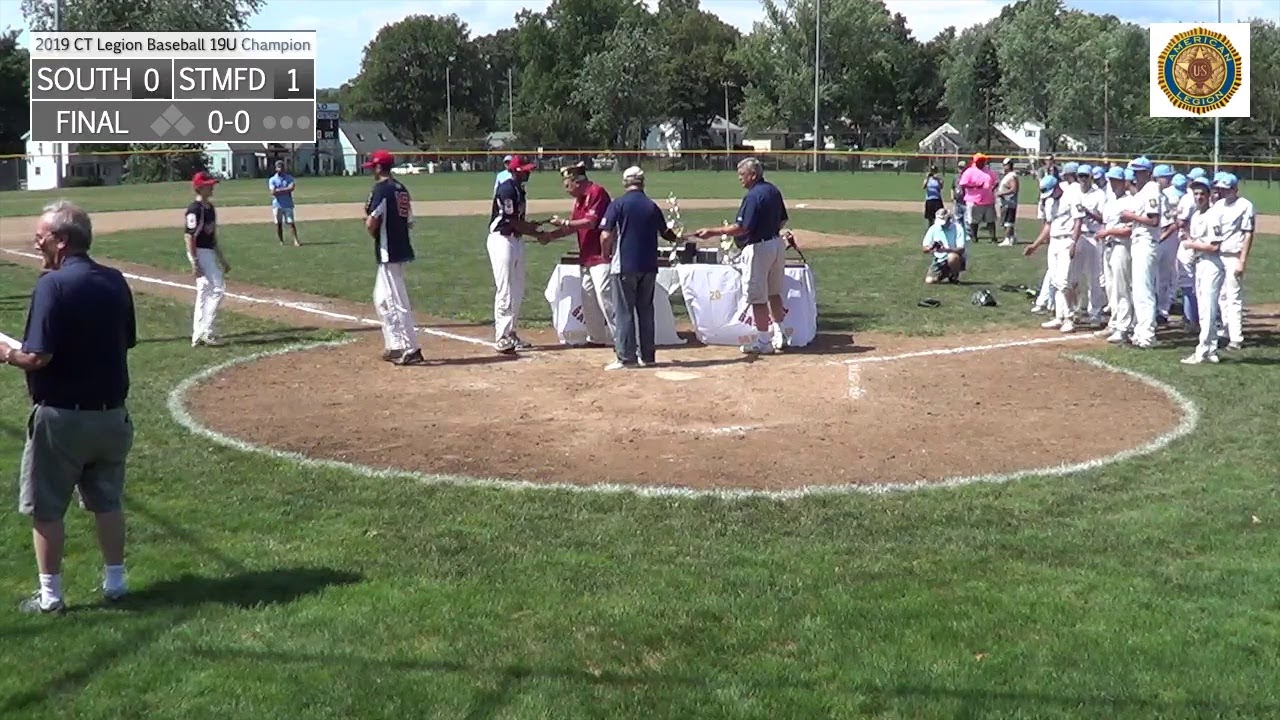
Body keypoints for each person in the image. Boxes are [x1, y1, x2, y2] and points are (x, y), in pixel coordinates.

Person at [2, 200, 137, 614]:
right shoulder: (115, 280)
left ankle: (50, 595)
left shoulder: (52, 285)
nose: (36, 240)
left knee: (46, 506)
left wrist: (7, 354)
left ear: (61, 241)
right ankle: (116, 583)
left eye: (42, 235)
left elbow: (38, 356)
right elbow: (126, 340)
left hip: (62, 417)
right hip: (112, 414)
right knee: (107, 502)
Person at [693, 157, 791, 355]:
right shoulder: (773, 190)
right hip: (776, 244)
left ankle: (764, 341)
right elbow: (783, 220)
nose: (740, 179)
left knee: (758, 296)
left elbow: (741, 228)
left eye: (742, 175)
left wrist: (712, 232)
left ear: (752, 175)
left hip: (759, 248)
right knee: (774, 292)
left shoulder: (753, 196)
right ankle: (781, 335)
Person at [598, 166, 680, 370]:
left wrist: (605, 252)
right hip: (649, 265)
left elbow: (606, 235)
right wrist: (682, 237)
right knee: (645, 311)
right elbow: (666, 233)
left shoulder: (618, 204)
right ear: (643, 182)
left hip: (625, 264)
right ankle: (648, 355)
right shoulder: (651, 206)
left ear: (626, 182)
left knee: (624, 311)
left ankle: (627, 357)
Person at [363, 149, 424, 365]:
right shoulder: (402, 189)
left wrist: (374, 233)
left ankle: (411, 347)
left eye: (373, 167)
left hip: (389, 250)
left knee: (395, 300)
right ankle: (396, 344)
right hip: (399, 246)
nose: (372, 171)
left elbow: (371, 221)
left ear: (379, 167)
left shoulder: (381, 189)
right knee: (381, 299)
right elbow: (409, 221)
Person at [545, 165, 615, 345]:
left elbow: (591, 222)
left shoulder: (596, 192)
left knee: (605, 299)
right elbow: (573, 226)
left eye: (567, 185)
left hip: (602, 255)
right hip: (587, 257)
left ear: (577, 182)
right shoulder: (579, 200)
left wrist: (564, 222)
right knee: (588, 300)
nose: (566, 189)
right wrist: (551, 236)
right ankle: (596, 337)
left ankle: (621, 338)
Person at [489, 155, 547, 354]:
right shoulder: (506, 189)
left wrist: (531, 227)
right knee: (505, 289)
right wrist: (536, 233)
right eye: (525, 170)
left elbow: (518, 222)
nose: (528, 172)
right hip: (501, 240)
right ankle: (502, 336)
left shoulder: (519, 189)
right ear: (515, 170)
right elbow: (511, 221)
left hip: (515, 240)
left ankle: (511, 332)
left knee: (518, 288)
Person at [1024, 174, 1084, 333]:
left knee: (1065, 281)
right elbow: (1048, 226)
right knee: (1056, 281)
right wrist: (1035, 245)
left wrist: (1073, 242)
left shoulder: (1072, 196)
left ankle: (1070, 317)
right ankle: (1059, 316)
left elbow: (1078, 221)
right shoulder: (1050, 202)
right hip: (1054, 241)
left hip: (1067, 240)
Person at [1120, 156, 1164, 349]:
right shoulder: (1141, 191)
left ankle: (1147, 335)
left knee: (1144, 289)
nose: (1136, 175)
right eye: (1134, 171)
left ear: (1147, 172)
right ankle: (1139, 332)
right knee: (1137, 289)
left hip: (1147, 241)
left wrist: (1131, 217)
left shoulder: (1152, 189)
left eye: (1139, 171)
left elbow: (1154, 220)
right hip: (1138, 240)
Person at [1180, 177, 1225, 364]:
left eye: (1202, 194)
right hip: (1200, 262)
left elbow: (1215, 246)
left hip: (1211, 264)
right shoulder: (1197, 215)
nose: (1198, 197)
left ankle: (1202, 350)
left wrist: (1190, 243)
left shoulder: (1212, 215)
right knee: (1206, 307)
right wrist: (1189, 237)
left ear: (1209, 196)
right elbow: (1199, 240)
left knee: (1207, 308)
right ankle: (1211, 348)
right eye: (1196, 194)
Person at [186, 171, 231, 347]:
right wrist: (195, 262)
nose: (212, 187)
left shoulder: (210, 208)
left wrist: (222, 259)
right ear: (200, 188)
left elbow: (212, 238)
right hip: (199, 252)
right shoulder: (194, 210)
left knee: (204, 290)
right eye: (208, 185)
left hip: (208, 251)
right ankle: (207, 330)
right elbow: (189, 237)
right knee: (218, 289)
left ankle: (198, 334)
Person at [1212, 173, 1255, 351]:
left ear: (1234, 189)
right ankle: (1225, 331)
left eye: (1227, 189)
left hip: (1234, 255)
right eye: (1221, 189)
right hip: (1218, 254)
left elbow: (1248, 233)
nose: (1223, 192)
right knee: (1221, 296)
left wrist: (1242, 260)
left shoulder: (1245, 205)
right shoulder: (1218, 205)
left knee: (1233, 296)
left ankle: (1236, 337)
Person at [1095, 166, 1136, 343]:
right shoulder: (1110, 200)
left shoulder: (1130, 201)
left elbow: (1129, 229)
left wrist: (1108, 232)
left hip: (1122, 246)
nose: (1112, 184)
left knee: (1122, 287)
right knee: (1111, 288)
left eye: (1115, 180)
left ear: (1123, 182)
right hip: (1109, 246)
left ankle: (1124, 326)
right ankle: (1114, 322)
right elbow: (1106, 223)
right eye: (1110, 180)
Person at [1071, 164, 1106, 325]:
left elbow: (1103, 219)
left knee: (1094, 277)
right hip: (1078, 236)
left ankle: (1095, 313)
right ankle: (1076, 309)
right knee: (1074, 276)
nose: (1083, 180)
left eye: (1085, 176)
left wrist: (1088, 212)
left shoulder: (1099, 194)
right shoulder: (1074, 192)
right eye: (1080, 176)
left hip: (1093, 236)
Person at [1175, 167, 1208, 333]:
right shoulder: (1212, 200)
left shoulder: (1188, 198)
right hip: (1202, 246)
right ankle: (1201, 320)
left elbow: (1180, 222)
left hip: (1189, 245)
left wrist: (1188, 238)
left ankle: (1191, 320)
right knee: (1201, 285)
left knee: (1188, 284)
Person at [1153, 164, 1181, 324]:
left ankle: (1162, 311)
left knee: (1164, 277)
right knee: (1153, 277)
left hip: (1166, 238)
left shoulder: (1171, 196)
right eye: (1166, 177)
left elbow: (1174, 223)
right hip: (1155, 237)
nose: (1169, 180)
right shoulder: (1155, 194)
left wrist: (1162, 237)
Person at [958, 153, 998, 243]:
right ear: (975, 162)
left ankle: (993, 238)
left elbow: (996, 181)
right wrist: (975, 186)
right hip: (974, 200)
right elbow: (963, 184)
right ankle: (974, 237)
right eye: (980, 161)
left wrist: (992, 188)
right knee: (974, 221)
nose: (982, 162)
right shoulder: (969, 171)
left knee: (991, 220)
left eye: (983, 160)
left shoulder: (989, 171)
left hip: (988, 200)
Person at [921, 208, 967, 284]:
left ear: (949, 219)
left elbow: (961, 249)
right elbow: (924, 249)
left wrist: (946, 250)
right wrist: (930, 248)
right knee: (930, 280)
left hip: (955, 258)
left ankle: (954, 276)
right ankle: (944, 274)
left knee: (953, 257)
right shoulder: (933, 228)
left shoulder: (958, 228)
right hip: (939, 260)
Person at [268, 160, 301, 247]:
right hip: (277, 205)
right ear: (276, 168)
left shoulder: (289, 178)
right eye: (278, 167)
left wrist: (279, 190)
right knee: (278, 224)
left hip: (288, 204)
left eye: (282, 167)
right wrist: (285, 189)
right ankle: (281, 241)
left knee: (291, 223)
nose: (280, 169)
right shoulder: (272, 179)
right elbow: (273, 192)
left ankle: (295, 240)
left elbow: (292, 188)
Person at [996, 157, 1020, 246]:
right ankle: (1012, 237)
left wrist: (1001, 193)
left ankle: (1007, 239)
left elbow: (1014, 189)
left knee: (1008, 221)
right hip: (1005, 202)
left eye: (1005, 165)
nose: (1004, 166)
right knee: (1006, 220)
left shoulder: (1012, 176)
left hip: (1009, 202)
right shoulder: (1007, 175)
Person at [922, 165, 944, 230]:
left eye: (934, 171)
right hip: (929, 200)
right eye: (932, 171)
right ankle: (930, 229)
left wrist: (937, 179)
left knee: (938, 216)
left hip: (937, 199)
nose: (933, 173)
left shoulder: (939, 179)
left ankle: (938, 229)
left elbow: (941, 187)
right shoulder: (928, 179)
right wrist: (927, 178)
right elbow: (923, 187)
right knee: (930, 218)